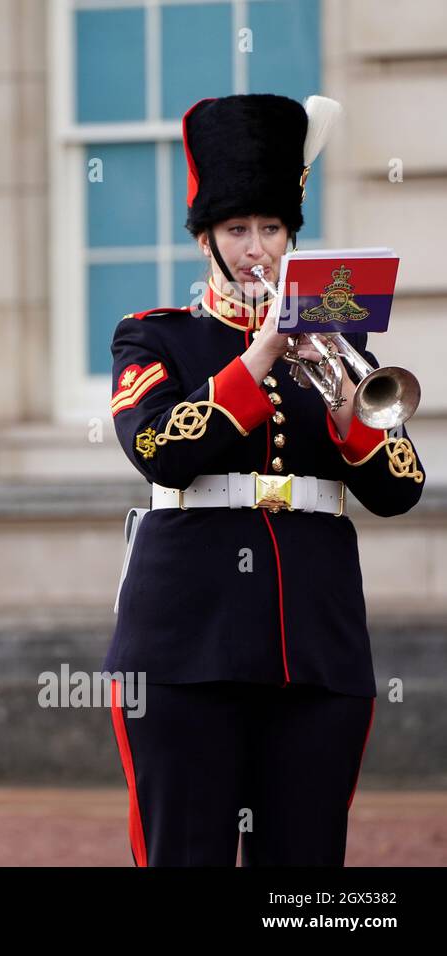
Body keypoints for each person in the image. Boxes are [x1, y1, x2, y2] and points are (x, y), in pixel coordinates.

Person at [106, 93, 424, 866]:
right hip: (187, 646)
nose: (257, 249)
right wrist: (259, 357)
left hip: (316, 647)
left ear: (293, 236)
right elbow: (157, 446)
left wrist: (351, 405)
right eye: (238, 230)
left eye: (272, 229)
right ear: (205, 239)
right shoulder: (155, 335)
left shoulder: (339, 346)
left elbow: (400, 486)